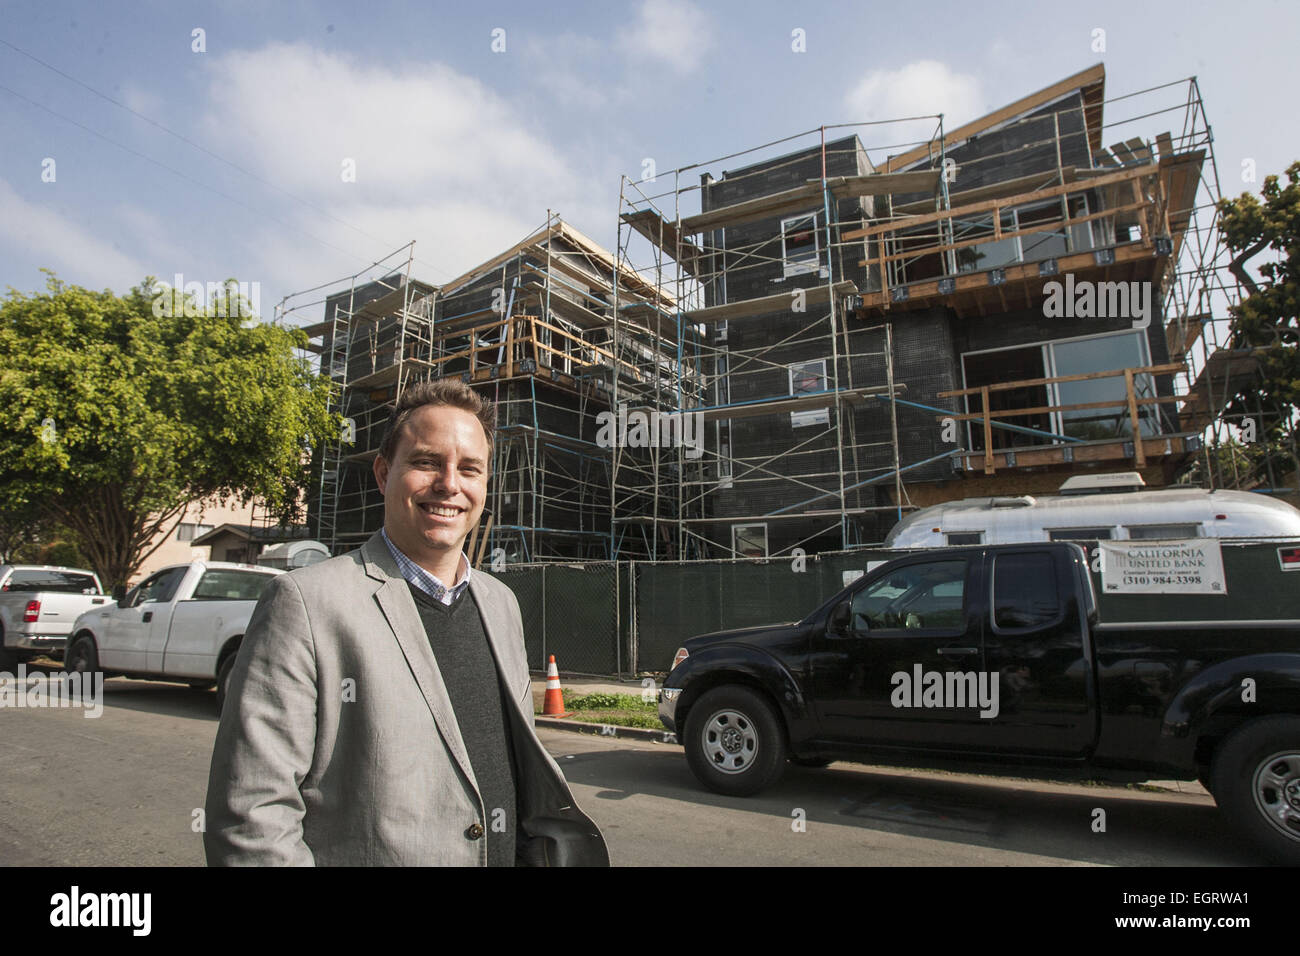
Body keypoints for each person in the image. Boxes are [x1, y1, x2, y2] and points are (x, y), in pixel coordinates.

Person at [204, 379, 608, 866]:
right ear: (383, 473)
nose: (449, 484)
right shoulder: (306, 605)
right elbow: (251, 816)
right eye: (426, 462)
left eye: (470, 469)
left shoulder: (501, 604)